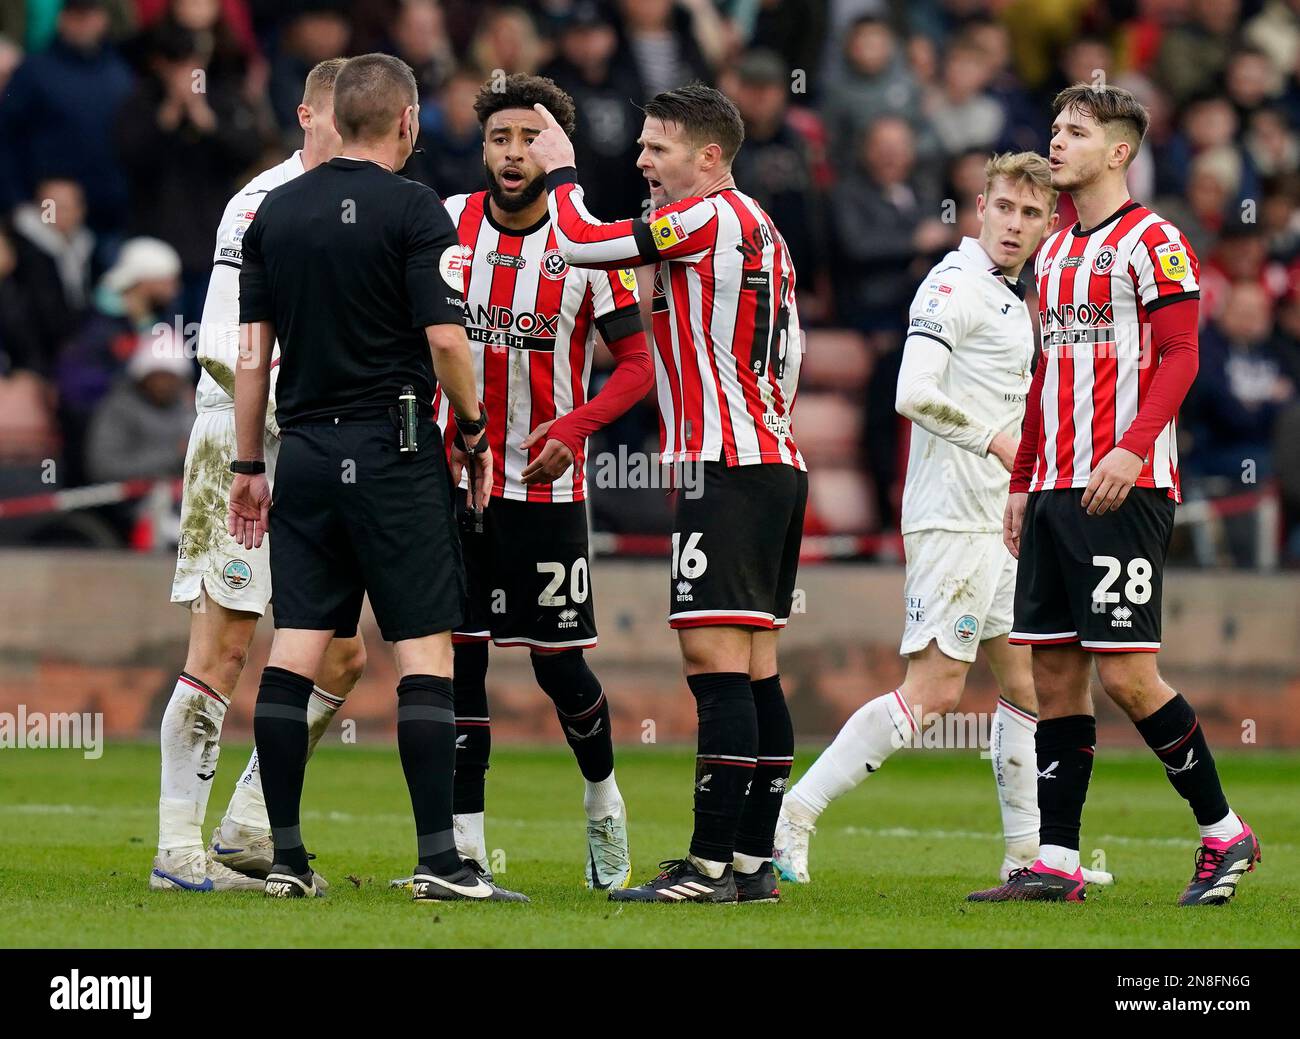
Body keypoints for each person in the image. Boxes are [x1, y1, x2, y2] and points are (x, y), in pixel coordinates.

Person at [228, 52, 525, 903]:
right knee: (424, 650)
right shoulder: (416, 210)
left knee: (293, 650)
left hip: (307, 454)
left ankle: (285, 858)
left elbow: (253, 360)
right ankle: (439, 860)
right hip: (392, 450)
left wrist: (251, 463)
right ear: (407, 122)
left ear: (334, 117)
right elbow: (444, 341)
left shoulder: (273, 214)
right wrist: (470, 429)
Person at [773, 152, 1108, 889]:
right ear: (977, 209)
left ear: (1048, 222)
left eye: (1030, 213)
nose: (1015, 224)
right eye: (1004, 208)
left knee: (1026, 684)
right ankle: (793, 812)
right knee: (934, 694)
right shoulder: (952, 285)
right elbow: (911, 390)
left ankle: (1029, 857)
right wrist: (994, 440)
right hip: (953, 517)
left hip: (999, 520)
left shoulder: (1007, 294)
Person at [970, 84, 1260, 906]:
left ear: (1120, 152)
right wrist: (1024, 481)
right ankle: (1057, 862)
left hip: (1123, 489)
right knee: (1055, 677)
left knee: (1129, 675)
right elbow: (1042, 378)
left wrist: (1133, 451)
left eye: (1076, 132)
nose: (1055, 142)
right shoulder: (1054, 252)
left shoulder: (1156, 241)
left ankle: (1225, 833)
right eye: (1056, 128)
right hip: (1056, 487)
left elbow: (1181, 355)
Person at [529, 83, 805, 904]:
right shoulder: (761, 228)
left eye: (657, 148)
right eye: (642, 145)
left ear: (709, 157)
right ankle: (752, 865)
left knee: (714, 664)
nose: (642, 159)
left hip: (725, 464)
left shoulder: (711, 216)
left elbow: (578, 241)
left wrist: (561, 170)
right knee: (756, 667)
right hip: (770, 460)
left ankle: (707, 864)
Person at [409, 73, 653, 890]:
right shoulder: (444, 223)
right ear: (482, 148)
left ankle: (603, 800)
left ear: (557, 150)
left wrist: (573, 430)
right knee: (462, 661)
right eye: (499, 138)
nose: (513, 154)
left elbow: (636, 365)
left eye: (530, 138)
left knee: (560, 667)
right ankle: (467, 847)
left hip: (547, 489)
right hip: (456, 484)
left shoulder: (588, 242)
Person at [150, 59, 366, 894]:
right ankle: (177, 848)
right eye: (331, 114)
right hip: (242, 443)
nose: (344, 128)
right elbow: (222, 341)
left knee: (341, 655)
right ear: (307, 113)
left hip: (318, 448)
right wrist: (290, 423)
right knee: (225, 644)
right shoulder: (260, 203)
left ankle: (245, 823)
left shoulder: (356, 203)